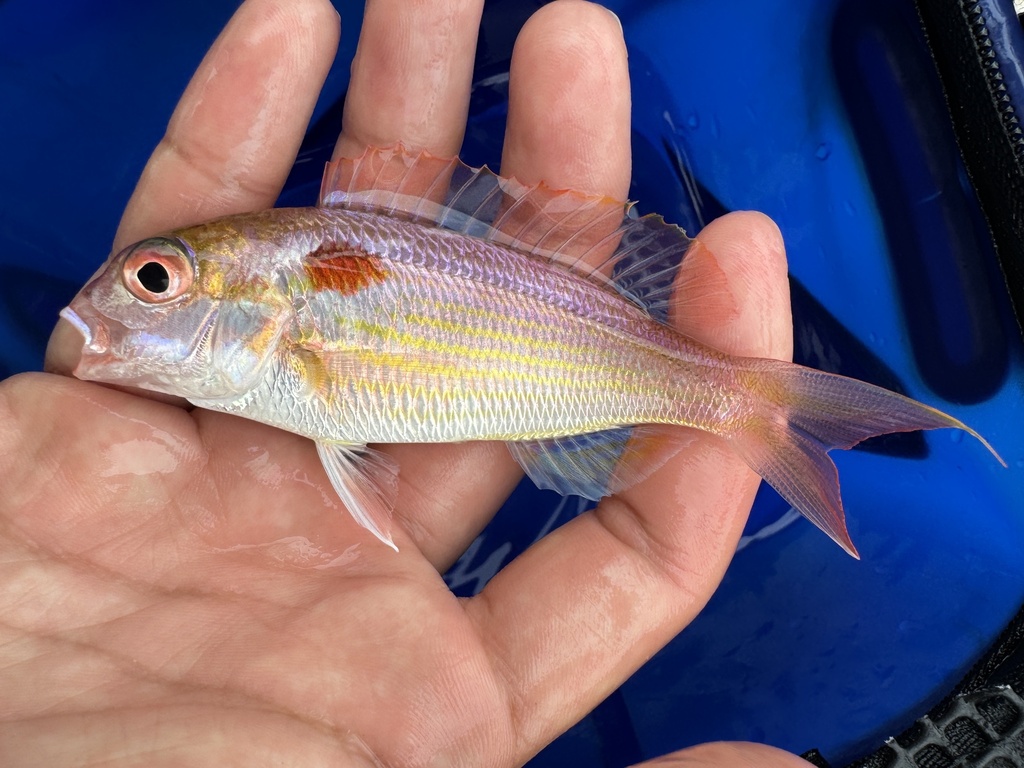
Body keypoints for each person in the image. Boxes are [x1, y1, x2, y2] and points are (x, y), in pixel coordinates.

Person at [1, 0, 810, 765]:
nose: (109, 309)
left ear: (269, 304)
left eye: (154, 280)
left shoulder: (302, 306)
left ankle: (747, 404)